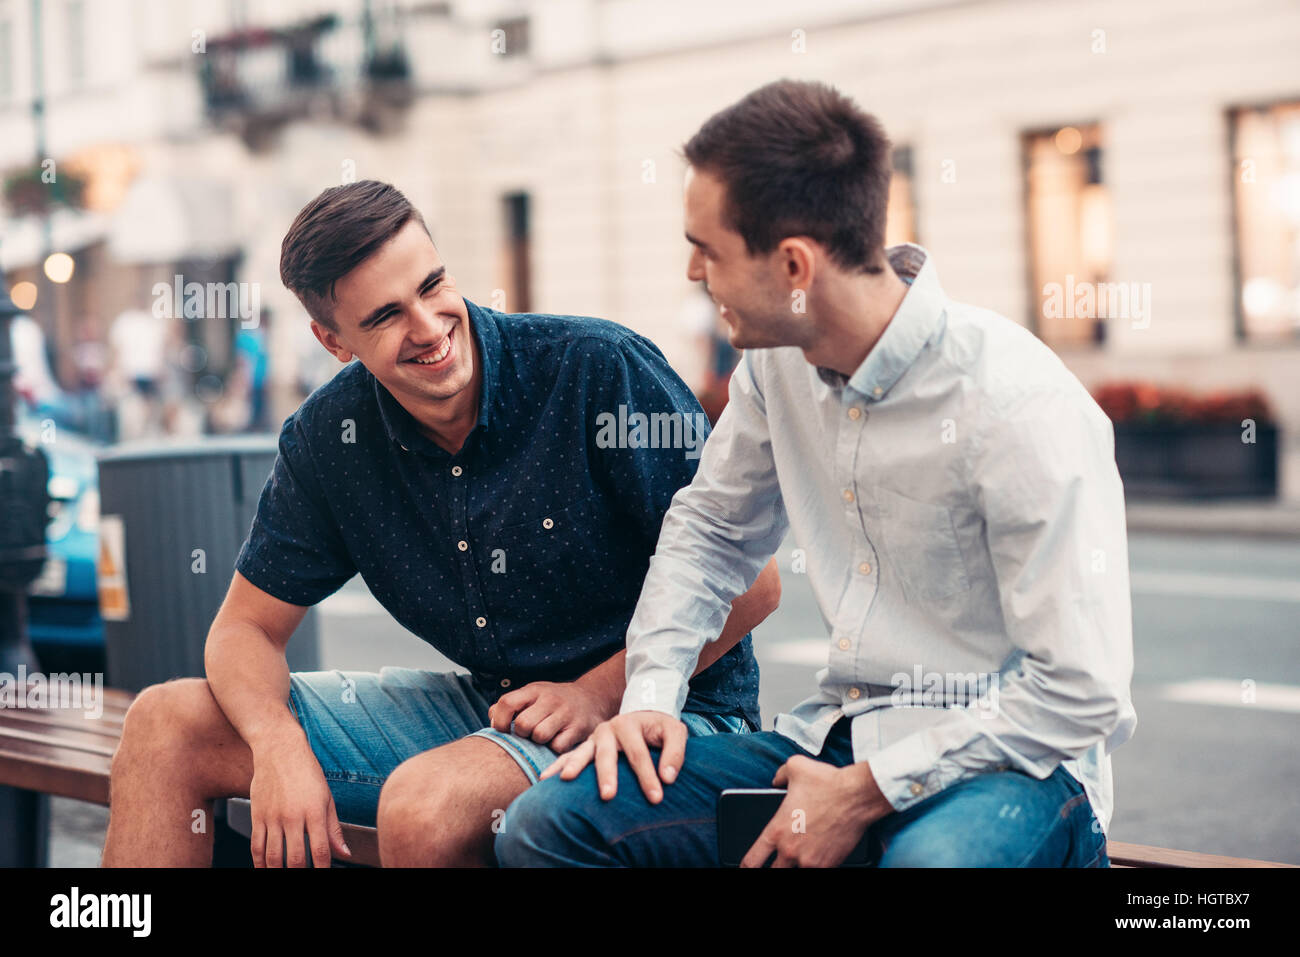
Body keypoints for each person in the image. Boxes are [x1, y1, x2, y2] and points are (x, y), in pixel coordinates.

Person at [495, 79, 1137, 868]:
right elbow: (711, 532)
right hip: (831, 741)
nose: (694, 272)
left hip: (1010, 768)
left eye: (708, 248)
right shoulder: (776, 368)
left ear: (794, 264)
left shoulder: (1018, 404)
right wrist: (651, 698)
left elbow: (1082, 693)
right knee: (551, 822)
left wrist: (868, 791)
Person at [101, 180, 779, 868]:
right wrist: (278, 746)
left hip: (672, 712)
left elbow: (754, 580)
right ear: (333, 341)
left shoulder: (596, 369)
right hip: (496, 714)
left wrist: (596, 692)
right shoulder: (329, 438)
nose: (428, 326)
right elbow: (244, 628)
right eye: (387, 315)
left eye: (433, 285)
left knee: (427, 806)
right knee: (164, 726)